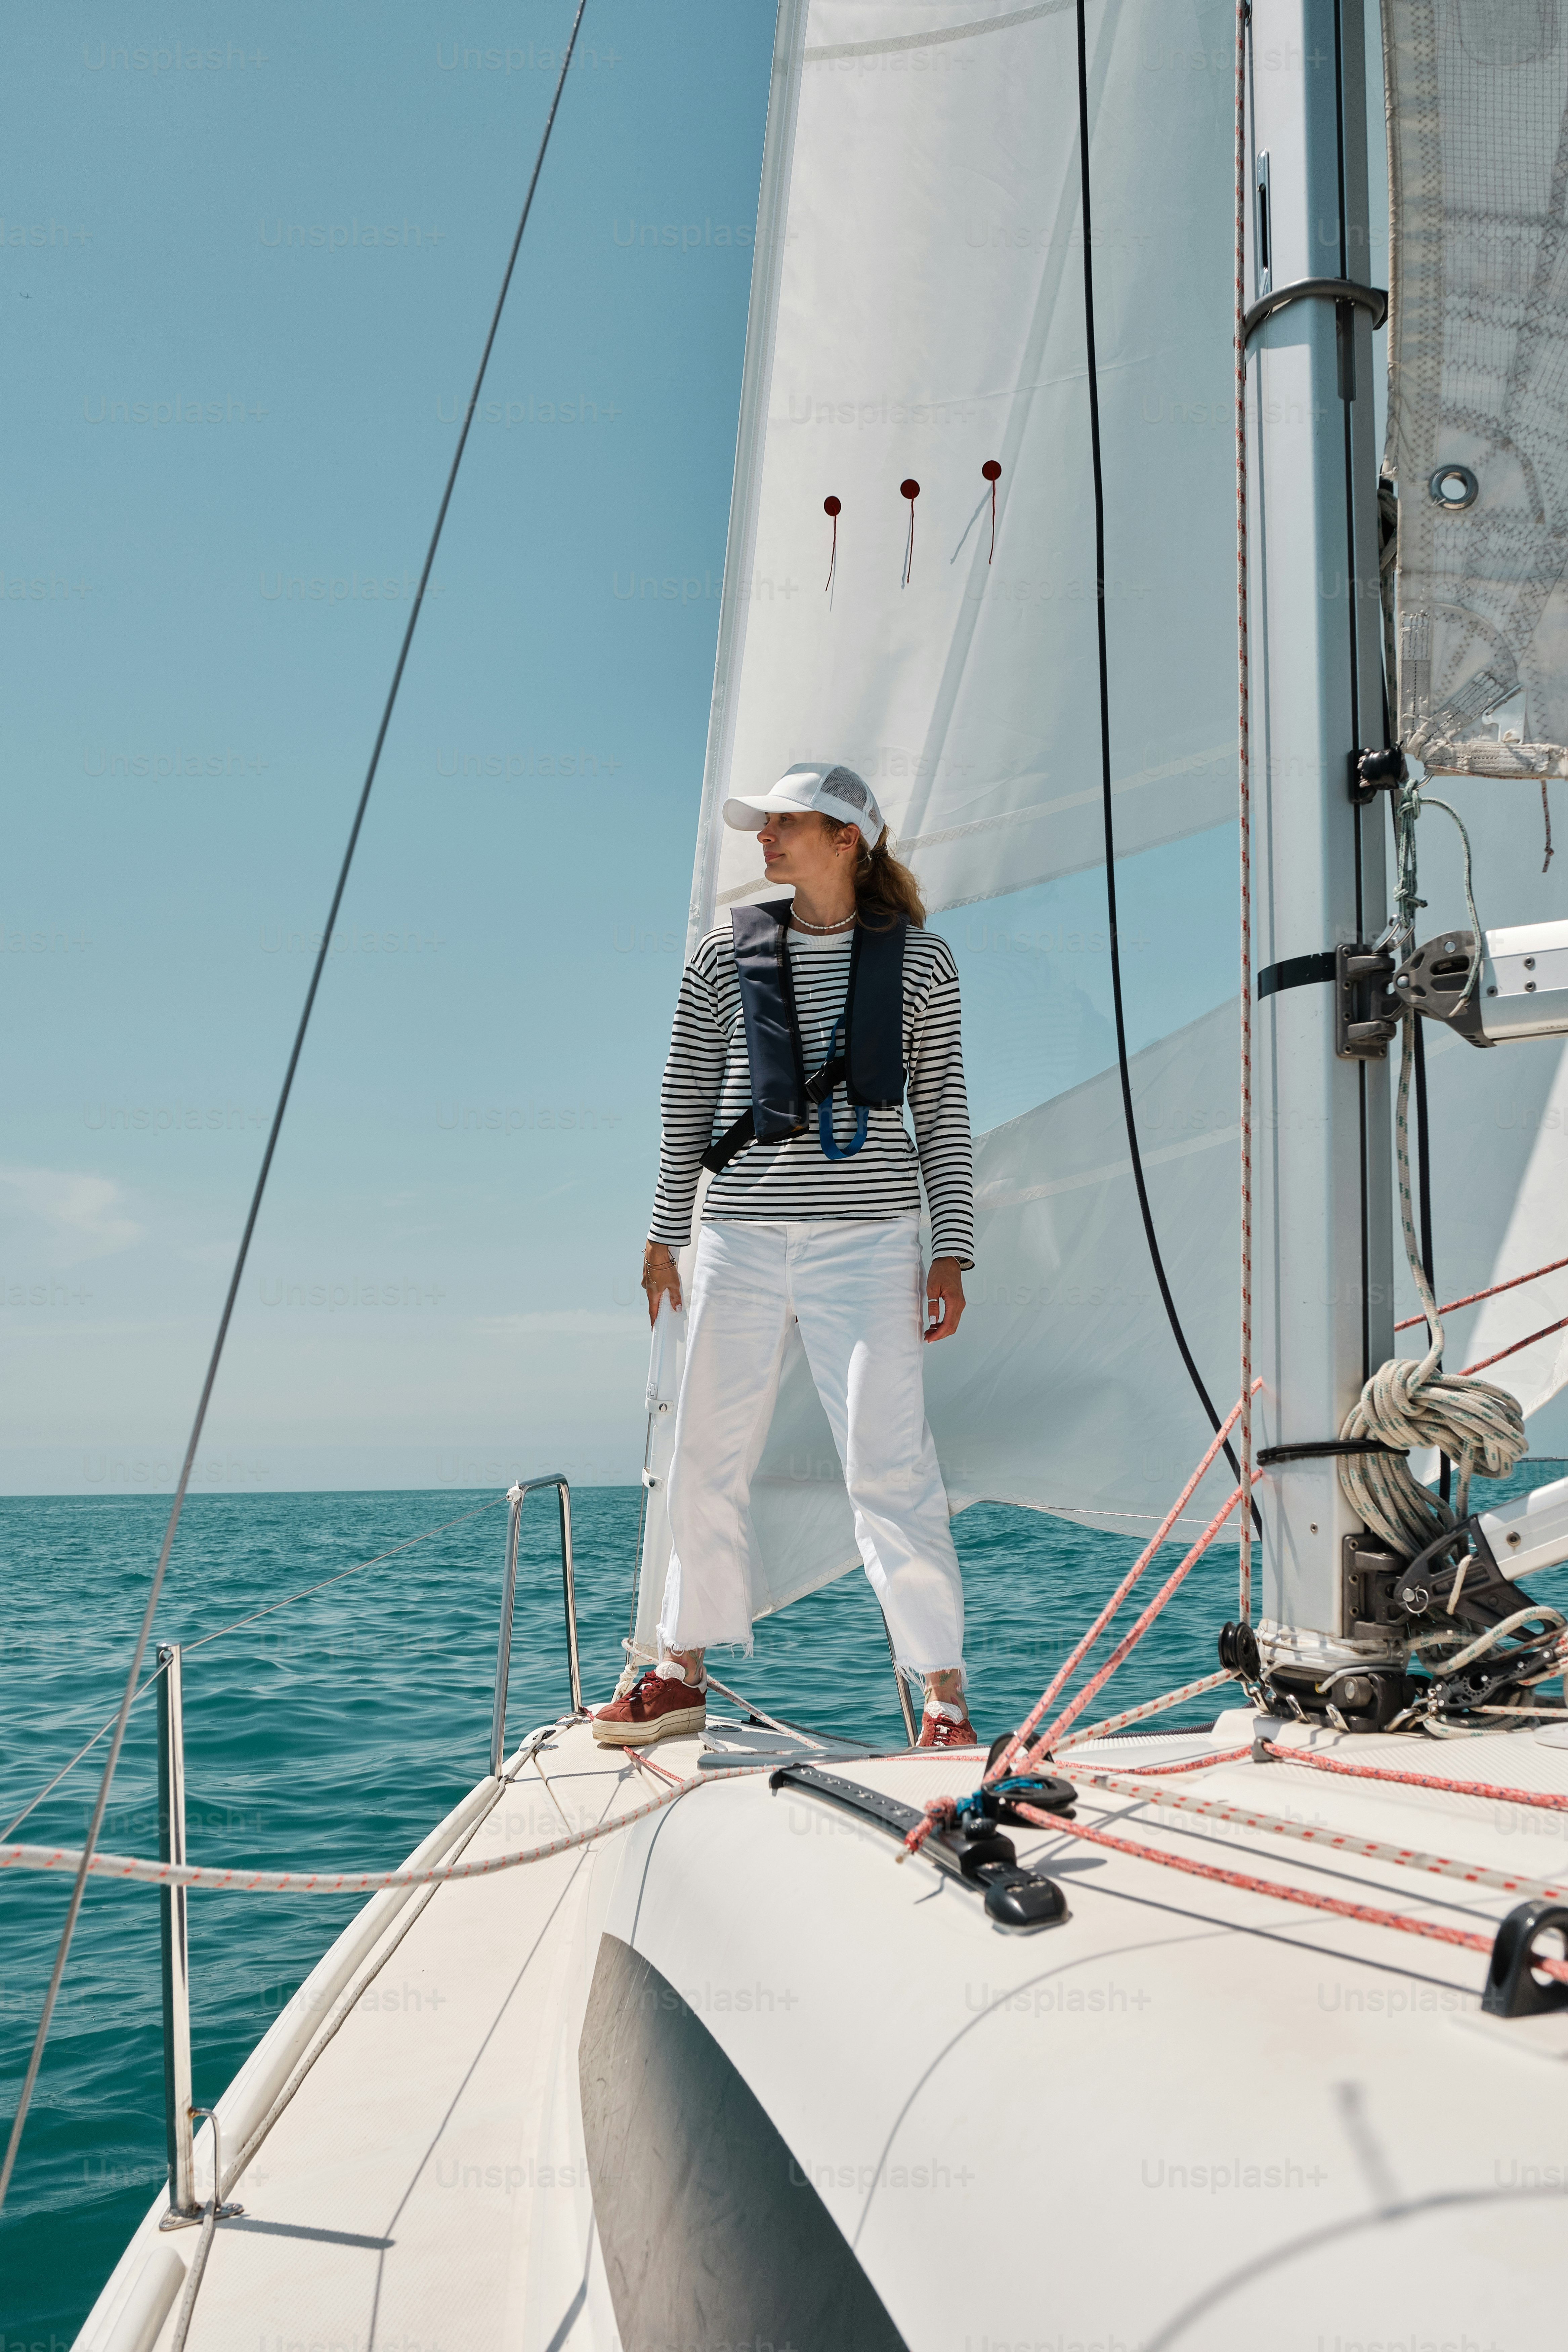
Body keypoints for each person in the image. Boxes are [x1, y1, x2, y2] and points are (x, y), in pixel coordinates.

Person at [593, 760, 978, 1752]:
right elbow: (686, 1100)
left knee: (890, 1468)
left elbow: (941, 1115)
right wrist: (664, 1230)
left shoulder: (923, 966)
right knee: (703, 1459)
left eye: (784, 824)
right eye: (760, 825)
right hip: (738, 1240)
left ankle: (942, 1698)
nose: (763, 839)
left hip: (873, 1243)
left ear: (846, 838)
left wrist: (952, 1253)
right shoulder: (724, 956)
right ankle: (681, 1672)